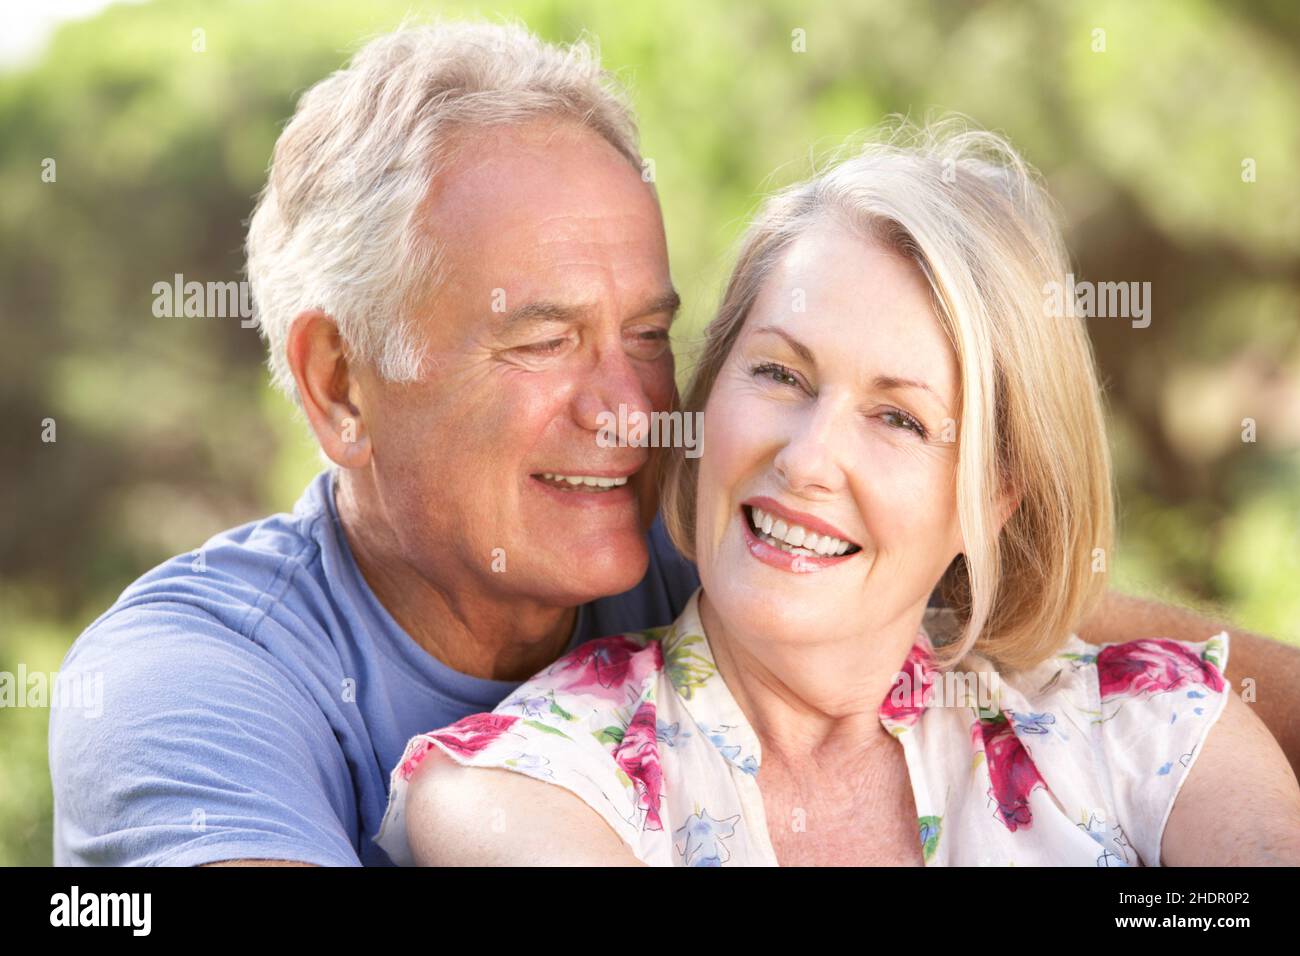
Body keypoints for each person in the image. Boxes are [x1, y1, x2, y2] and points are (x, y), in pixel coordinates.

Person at [48, 22, 1300, 867]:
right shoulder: (190, 684)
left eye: (646, 333)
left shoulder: (729, 542)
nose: (627, 409)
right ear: (340, 384)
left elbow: (1044, 616)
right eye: (540, 339)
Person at [378, 120, 1300, 866]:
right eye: (780, 375)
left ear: (994, 497)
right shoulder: (529, 788)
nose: (809, 460)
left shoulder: (1156, 734)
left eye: (899, 419)